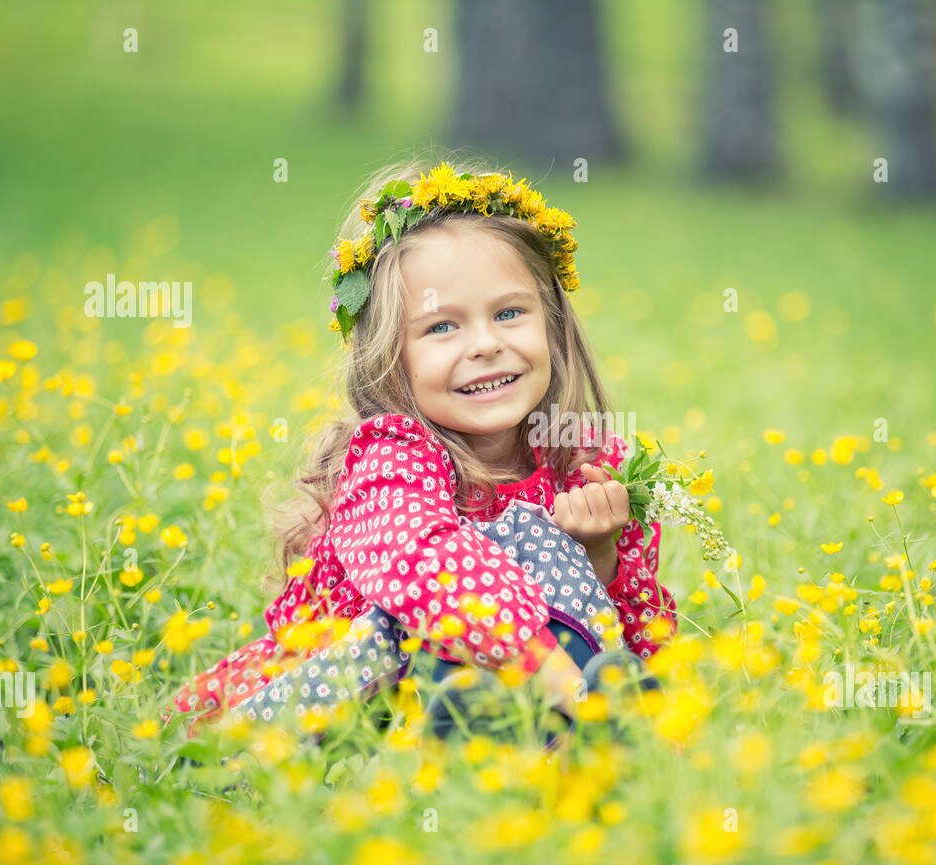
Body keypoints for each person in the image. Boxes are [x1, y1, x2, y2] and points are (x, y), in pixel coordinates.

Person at [166, 156, 676, 744]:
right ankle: (506, 722)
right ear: (390, 359)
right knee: (477, 572)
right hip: (352, 703)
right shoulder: (394, 456)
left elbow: (642, 644)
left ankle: (560, 735)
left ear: (554, 326)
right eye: (442, 327)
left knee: (550, 565)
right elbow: (427, 563)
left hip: (540, 692)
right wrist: (544, 665)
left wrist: (600, 553)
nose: (485, 344)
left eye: (510, 313)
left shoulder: (581, 467)